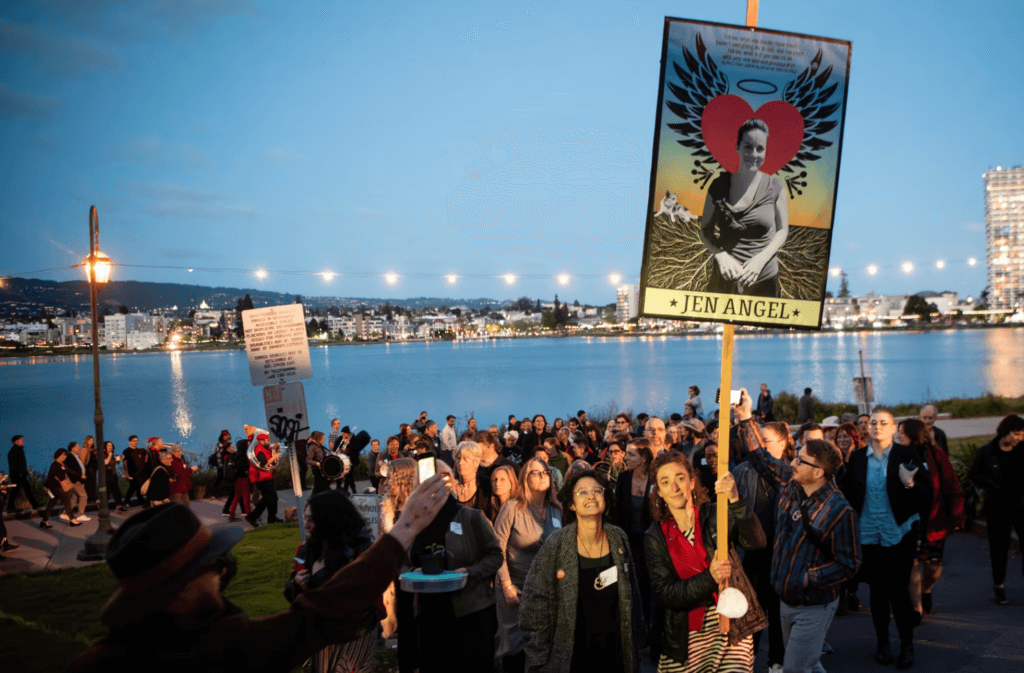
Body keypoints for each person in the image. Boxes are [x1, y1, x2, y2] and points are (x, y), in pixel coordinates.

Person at [66, 474, 453, 673]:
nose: (224, 571)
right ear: (178, 593)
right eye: (212, 565)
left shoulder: (94, 662)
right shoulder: (217, 650)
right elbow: (316, 615)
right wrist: (405, 529)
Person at [736, 392, 860, 673]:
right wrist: (745, 419)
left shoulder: (839, 511)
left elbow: (850, 563)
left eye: (801, 461)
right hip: (786, 600)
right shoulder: (792, 486)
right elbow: (761, 459)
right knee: (808, 663)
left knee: (792, 668)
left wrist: (808, 577)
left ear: (818, 472)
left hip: (813, 605)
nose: (792, 462)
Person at [644, 449, 767, 673]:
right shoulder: (655, 536)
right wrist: (710, 577)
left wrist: (736, 500)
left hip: (731, 625)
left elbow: (756, 542)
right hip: (685, 635)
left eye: (680, 478)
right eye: (665, 482)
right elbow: (667, 594)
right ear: (659, 492)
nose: (674, 487)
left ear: (692, 482)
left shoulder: (715, 514)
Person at [520, 470, 645, 673]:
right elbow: (534, 604)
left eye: (597, 490)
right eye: (582, 492)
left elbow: (633, 592)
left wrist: (637, 640)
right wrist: (539, 658)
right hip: (572, 659)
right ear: (571, 504)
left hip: (616, 657)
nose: (591, 496)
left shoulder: (618, 538)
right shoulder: (556, 545)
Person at [841, 409, 932, 669]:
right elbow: (847, 494)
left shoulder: (907, 454)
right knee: (878, 591)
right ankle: (882, 643)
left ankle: (907, 644)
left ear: (893, 428)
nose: (877, 426)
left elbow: (927, 493)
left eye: (884, 422)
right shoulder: (858, 458)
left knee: (899, 590)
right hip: (869, 532)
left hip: (899, 531)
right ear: (867, 428)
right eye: (873, 422)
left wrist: (910, 484)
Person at [401, 460, 503, 673]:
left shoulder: (471, 517)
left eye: (438, 481)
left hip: (471, 614)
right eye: (424, 482)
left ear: (450, 484)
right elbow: (401, 563)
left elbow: (495, 556)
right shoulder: (412, 523)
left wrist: (470, 571)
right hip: (430, 617)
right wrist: (413, 572)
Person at [284, 491, 378, 673]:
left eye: (311, 519)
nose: (306, 525)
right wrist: (296, 584)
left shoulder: (357, 551)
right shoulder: (308, 548)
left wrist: (319, 579)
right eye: (305, 518)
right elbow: (292, 594)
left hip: (351, 638)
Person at [698, 118, 789, 297]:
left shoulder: (775, 187)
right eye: (748, 147)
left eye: (760, 149)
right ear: (738, 147)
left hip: (764, 282)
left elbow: (782, 230)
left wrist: (760, 260)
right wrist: (720, 255)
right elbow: (705, 231)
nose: (753, 154)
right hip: (724, 282)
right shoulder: (718, 186)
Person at [731, 420, 794, 672]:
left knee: (779, 615)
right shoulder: (741, 471)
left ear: (782, 443)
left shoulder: (792, 473)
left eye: (765, 441)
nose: (759, 447)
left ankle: (777, 662)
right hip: (750, 556)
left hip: (781, 556)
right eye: (758, 441)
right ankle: (745, 661)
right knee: (749, 614)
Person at [493, 458, 561, 673]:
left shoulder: (556, 510)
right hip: (517, 590)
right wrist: (506, 585)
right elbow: (496, 549)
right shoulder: (512, 508)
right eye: (536, 472)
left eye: (545, 472)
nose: (542, 476)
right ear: (524, 478)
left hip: (546, 592)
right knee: (517, 649)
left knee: (542, 650)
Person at [897, 419, 964, 618]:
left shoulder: (935, 454)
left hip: (934, 519)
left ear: (914, 434)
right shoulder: (896, 455)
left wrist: (957, 517)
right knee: (913, 563)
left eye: (902, 432)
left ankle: (926, 589)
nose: (898, 436)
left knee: (933, 565)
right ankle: (917, 608)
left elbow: (952, 485)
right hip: (908, 520)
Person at [968, 413, 1024, 606]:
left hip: (1020, 506)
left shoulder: (1022, 450)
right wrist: (991, 485)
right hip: (997, 508)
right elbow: (974, 473)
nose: (1019, 438)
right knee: (999, 549)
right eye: (1016, 434)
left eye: (1021, 434)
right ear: (1005, 432)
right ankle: (999, 586)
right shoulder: (987, 451)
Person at [613, 438, 656, 640]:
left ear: (644, 457)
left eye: (631, 454)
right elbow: (617, 512)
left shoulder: (655, 480)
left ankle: (650, 629)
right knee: (632, 585)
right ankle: (636, 630)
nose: (626, 457)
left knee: (649, 586)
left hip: (652, 544)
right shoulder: (623, 478)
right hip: (629, 542)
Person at [246, 434, 282, 527]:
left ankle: (271, 518)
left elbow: (273, 459)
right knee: (268, 498)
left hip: (267, 476)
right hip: (261, 478)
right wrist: (274, 457)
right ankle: (252, 517)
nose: (269, 442)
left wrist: (277, 448)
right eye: (267, 440)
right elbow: (263, 464)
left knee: (271, 498)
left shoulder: (265, 448)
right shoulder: (258, 450)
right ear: (261, 441)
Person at [40, 448, 80, 528]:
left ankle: (44, 521)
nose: (65, 457)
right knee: (67, 499)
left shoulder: (62, 464)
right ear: (58, 455)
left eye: (66, 455)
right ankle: (72, 520)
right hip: (56, 487)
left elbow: (69, 471)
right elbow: (50, 476)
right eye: (63, 455)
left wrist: (78, 474)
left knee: (51, 504)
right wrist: (48, 487)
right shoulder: (55, 464)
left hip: (58, 487)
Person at [451, 440, 489, 514]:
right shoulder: (450, 488)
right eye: (458, 458)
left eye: (465, 459)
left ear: (476, 462)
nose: (460, 463)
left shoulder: (486, 487)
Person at [6, 435, 39, 513]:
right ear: (16, 441)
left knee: (23, 490)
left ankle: (35, 505)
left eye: (22, 439)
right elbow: (13, 464)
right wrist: (20, 473)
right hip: (18, 475)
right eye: (20, 439)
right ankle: (10, 507)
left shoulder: (19, 449)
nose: (22, 440)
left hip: (21, 474)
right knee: (18, 491)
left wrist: (24, 472)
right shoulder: (14, 451)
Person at [121, 436, 151, 509]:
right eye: (134, 441)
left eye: (137, 440)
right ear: (130, 441)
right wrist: (126, 473)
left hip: (140, 472)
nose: (136, 442)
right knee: (133, 487)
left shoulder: (139, 450)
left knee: (138, 487)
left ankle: (141, 501)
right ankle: (127, 502)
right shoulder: (126, 451)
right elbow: (125, 462)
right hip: (131, 472)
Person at [64, 442, 91, 522]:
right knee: (83, 496)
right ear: (72, 448)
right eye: (77, 446)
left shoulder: (76, 457)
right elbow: (68, 469)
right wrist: (79, 476)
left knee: (74, 498)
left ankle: (65, 513)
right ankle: (80, 515)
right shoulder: (69, 457)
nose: (79, 448)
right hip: (75, 480)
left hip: (80, 480)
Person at [227, 438, 252, 520]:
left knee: (237, 496)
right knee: (246, 496)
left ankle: (231, 514)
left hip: (237, 478)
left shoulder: (236, 455)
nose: (249, 445)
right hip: (242, 478)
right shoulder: (243, 456)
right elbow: (243, 466)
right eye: (247, 444)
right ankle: (249, 514)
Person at [102, 441, 126, 512]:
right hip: (106, 476)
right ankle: (103, 508)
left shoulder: (112, 455)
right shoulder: (103, 454)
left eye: (111, 446)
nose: (110, 447)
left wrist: (118, 459)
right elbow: (106, 462)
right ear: (105, 447)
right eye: (108, 445)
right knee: (106, 493)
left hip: (113, 475)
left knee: (117, 492)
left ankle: (119, 507)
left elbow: (112, 463)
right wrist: (110, 455)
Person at [306, 431, 331, 495]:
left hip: (322, 469)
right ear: (318, 438)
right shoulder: (312, 447)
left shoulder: (320, 446)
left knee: (323, 486)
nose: (323, 440)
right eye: (322, 439)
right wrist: (316, 463)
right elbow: (308, 460)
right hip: (317, 470)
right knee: (319, 487)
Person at [81, 436, 98, 504]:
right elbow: (82, 460)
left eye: (92, 440)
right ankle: (89, 499)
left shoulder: (94, 450)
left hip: (94, 468)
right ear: (87, 441)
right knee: (89, 484)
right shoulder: (84, 449)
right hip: (88, 468)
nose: (92, 442)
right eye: (90, 440)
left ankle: (93, 498)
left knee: (93, 483)